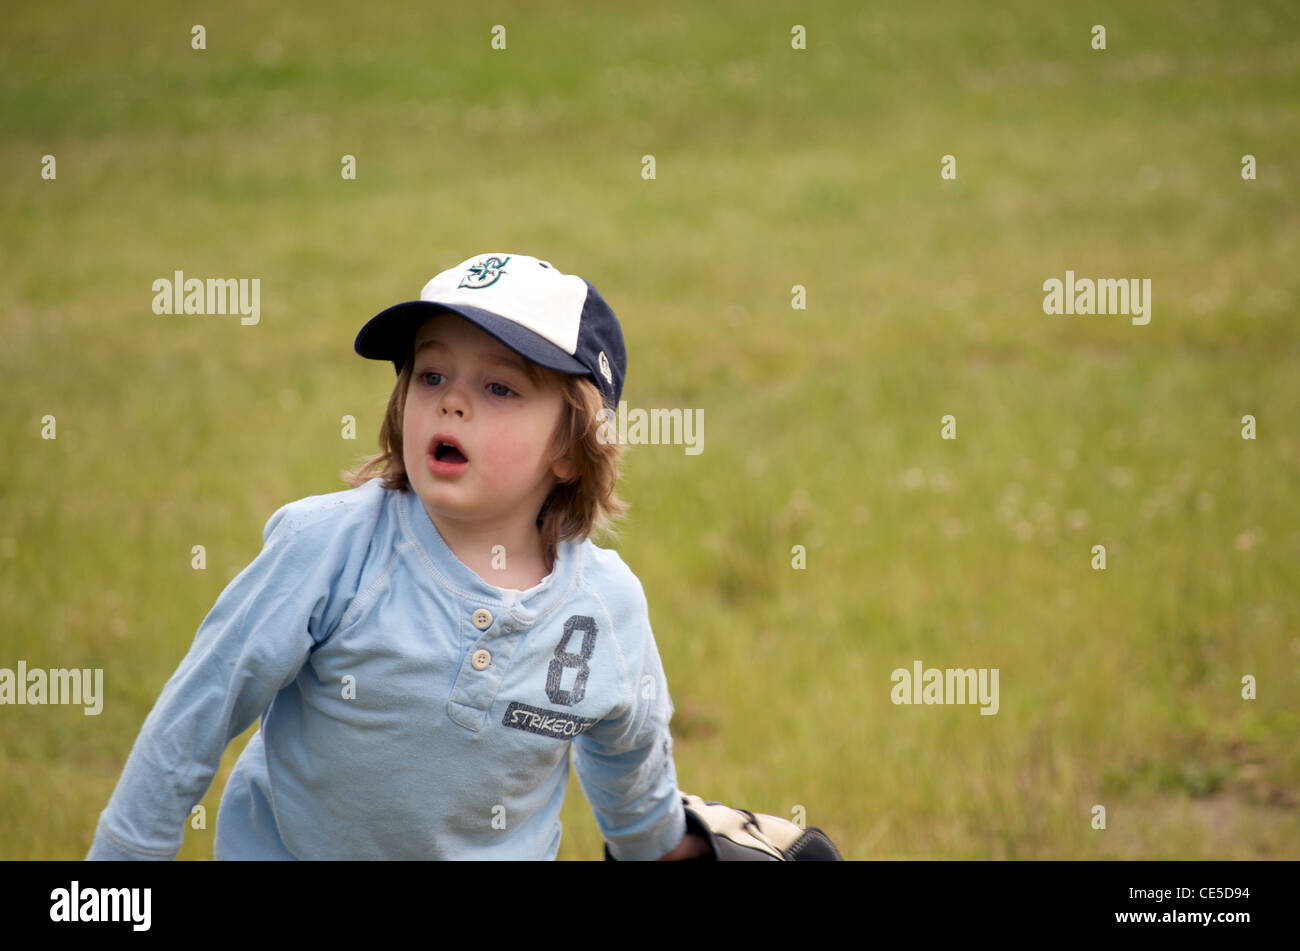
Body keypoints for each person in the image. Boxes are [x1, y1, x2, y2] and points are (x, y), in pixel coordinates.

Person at [86, 252, 708, 860]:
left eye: (499, 387)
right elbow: (203, 704)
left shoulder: (605, 609)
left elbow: (630, 752)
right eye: (432, 375)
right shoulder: (328, 548)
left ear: (571, 448)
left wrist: (659, 845)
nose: (451, 402)